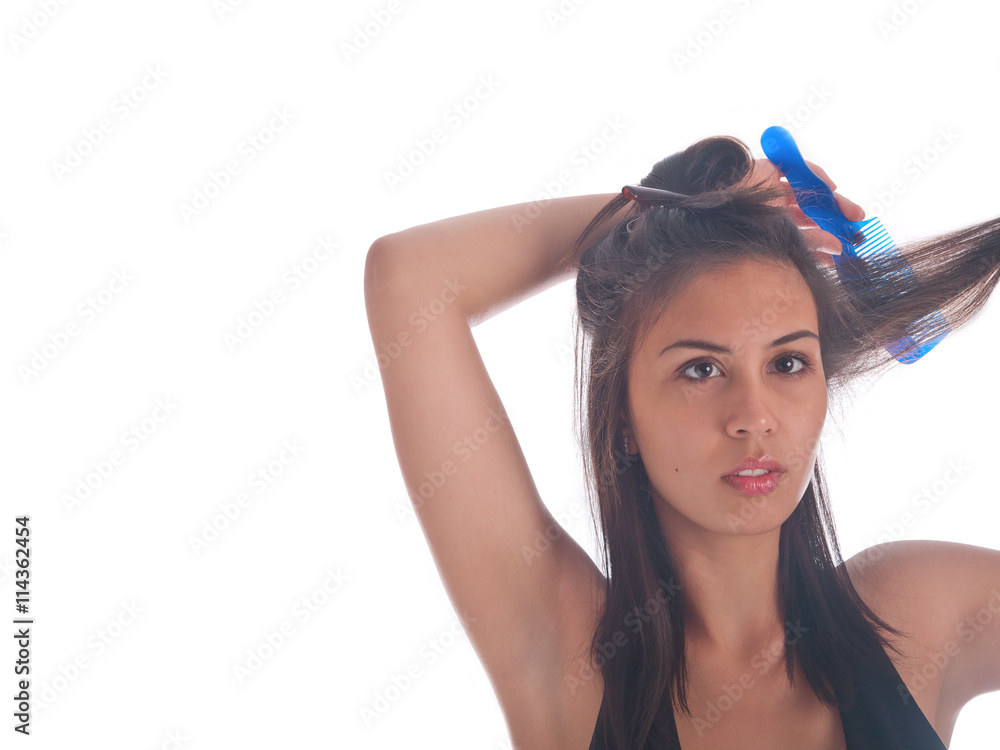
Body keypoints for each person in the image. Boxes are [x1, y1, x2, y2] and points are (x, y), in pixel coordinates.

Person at [363, 135, 1000, 749]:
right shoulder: (570, 661)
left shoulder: (922, 612)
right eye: (702, 369)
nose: (755, 418)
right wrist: (662, 212)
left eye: (787, 364)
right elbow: (410, 277)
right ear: (621, 417)